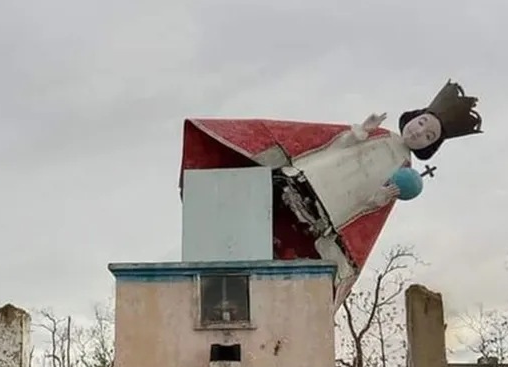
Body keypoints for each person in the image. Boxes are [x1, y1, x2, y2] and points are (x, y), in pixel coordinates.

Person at [180, 81, 482, 304]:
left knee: (288, 235)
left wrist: (381, 197)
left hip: (338, 203)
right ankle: (232, 223)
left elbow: (368, 205)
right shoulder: (381, 136)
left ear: (430, 145)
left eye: (428, 135)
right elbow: (335, 148)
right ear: (413, 118)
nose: (419, 133)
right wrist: (359, 132)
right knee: (266, 198)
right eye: (422, 124)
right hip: (316, 176)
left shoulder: (403, 169)